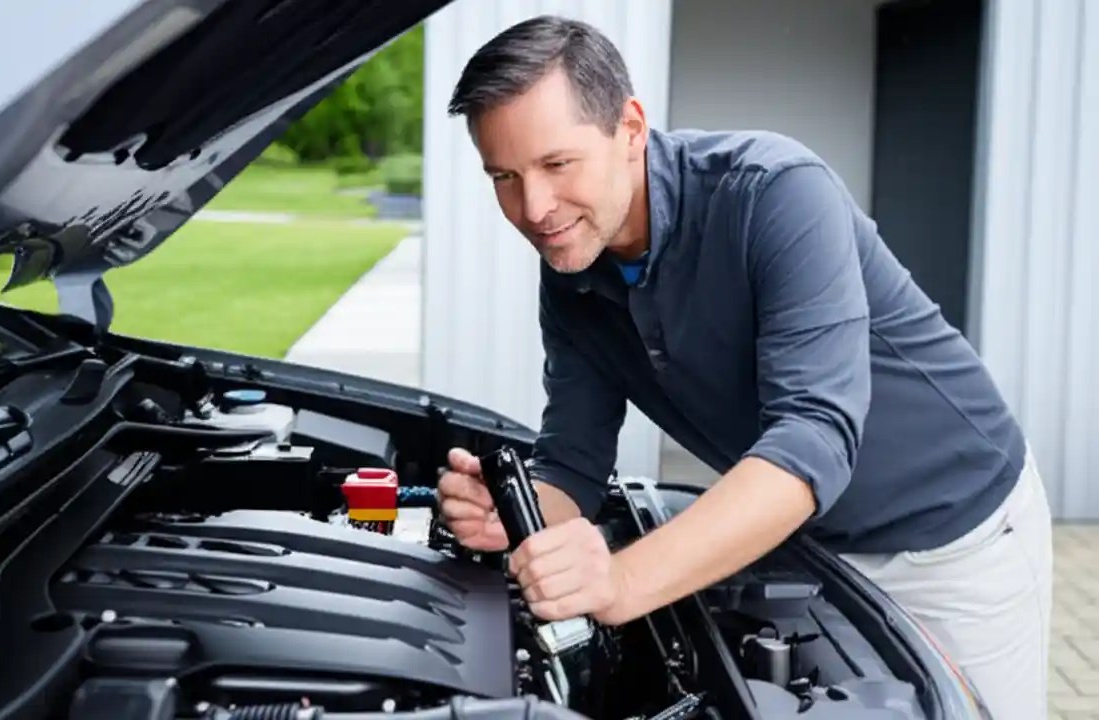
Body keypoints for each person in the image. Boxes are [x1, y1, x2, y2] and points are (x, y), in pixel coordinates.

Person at [435, 14, 1053, 720]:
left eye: (556, 164)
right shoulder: (571, 271)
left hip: (957, 540)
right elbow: (573, 459)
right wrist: (512, 516)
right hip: (814, 546)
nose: (534, 208)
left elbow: (813, 439)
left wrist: (623, 581)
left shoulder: (776, 193)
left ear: (630, 128)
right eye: (505, 177)